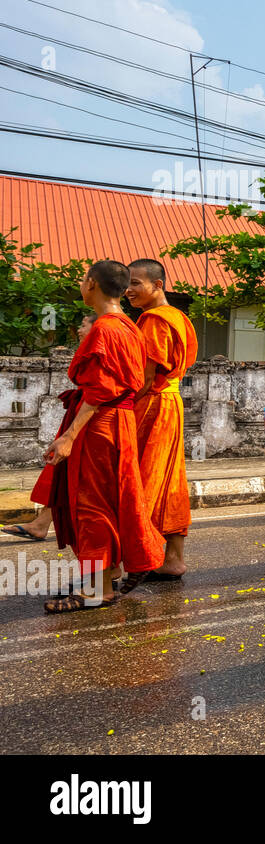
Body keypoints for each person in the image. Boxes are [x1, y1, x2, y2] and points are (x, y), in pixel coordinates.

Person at [46, 261, 167, 611]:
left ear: (92, 284)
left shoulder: (105, 329)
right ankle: (107, 571)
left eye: (83, 281)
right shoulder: (128, 326)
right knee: (112, 498)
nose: (81, 286)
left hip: (100, 423)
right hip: (119, 421)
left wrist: (69, 435)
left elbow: (99, 390)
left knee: (92, 504)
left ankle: (98, 589)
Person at [125, 259, 198, 580]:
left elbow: (146, 375)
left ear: (157, 285)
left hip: (152, 403)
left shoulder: (154, 320)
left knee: (143, 478)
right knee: (170, 480)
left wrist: (117, 406)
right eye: (127, 284)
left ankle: (140, 554)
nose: (128, 290)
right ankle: (173, 559)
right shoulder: (179, 318)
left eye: (136, 283)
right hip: (170, 401)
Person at [2, 314, 95, 542]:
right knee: (61, 469)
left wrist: (71, 435)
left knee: (78, 475)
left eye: (84, 326)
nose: (80, 331)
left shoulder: (104, 349)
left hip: (92, 417)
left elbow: (100, 394)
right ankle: (41, 523)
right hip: (81, 413)